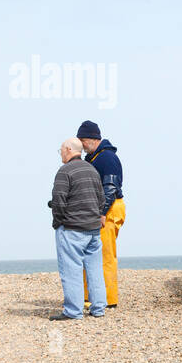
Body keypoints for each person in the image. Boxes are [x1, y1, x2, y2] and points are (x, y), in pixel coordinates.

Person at [50, 138, 108, 320]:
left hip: (72, 228)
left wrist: (58, 222)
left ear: (68, 149)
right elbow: (101, 199)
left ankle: (73, 311)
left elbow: (59, 200)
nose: (61, 154)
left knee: (71, 269)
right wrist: (96, 216)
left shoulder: (64, 171)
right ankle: (99, 309)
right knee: (95, 269)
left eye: (61, 150)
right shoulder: (92, 170)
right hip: (93, 229)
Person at [76, 120, 125, 309]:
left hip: (110, 209)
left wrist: (103, 212)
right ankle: (91, 296)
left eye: (82, 140)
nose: (81, 145)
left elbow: (110, 187)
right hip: (100, 209)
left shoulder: (107, 158)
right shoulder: (94, 158)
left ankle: (109, 298)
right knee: (92, 253)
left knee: (105, 254)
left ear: (92, 139)